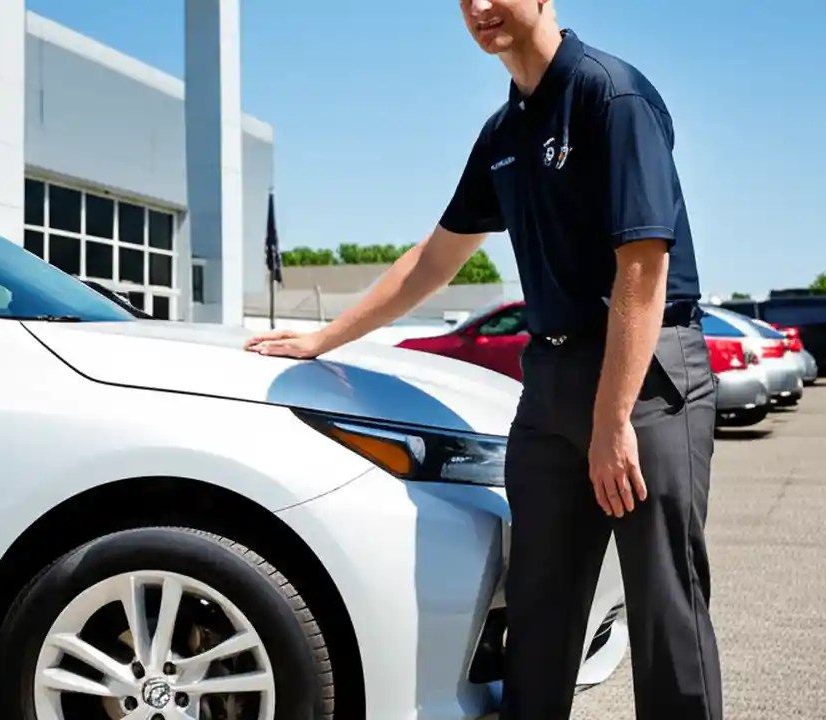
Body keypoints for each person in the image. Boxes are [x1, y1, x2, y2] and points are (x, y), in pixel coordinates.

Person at [243, 2, 723, 718]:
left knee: (664, 611)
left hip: (643, 379)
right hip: (552, 381)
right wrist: (325, 338)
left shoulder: (610, 96)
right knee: (538, 608)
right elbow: (432, 259)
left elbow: (643, 266)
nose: (479, 8)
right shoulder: (505, 132)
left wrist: (613, 417)